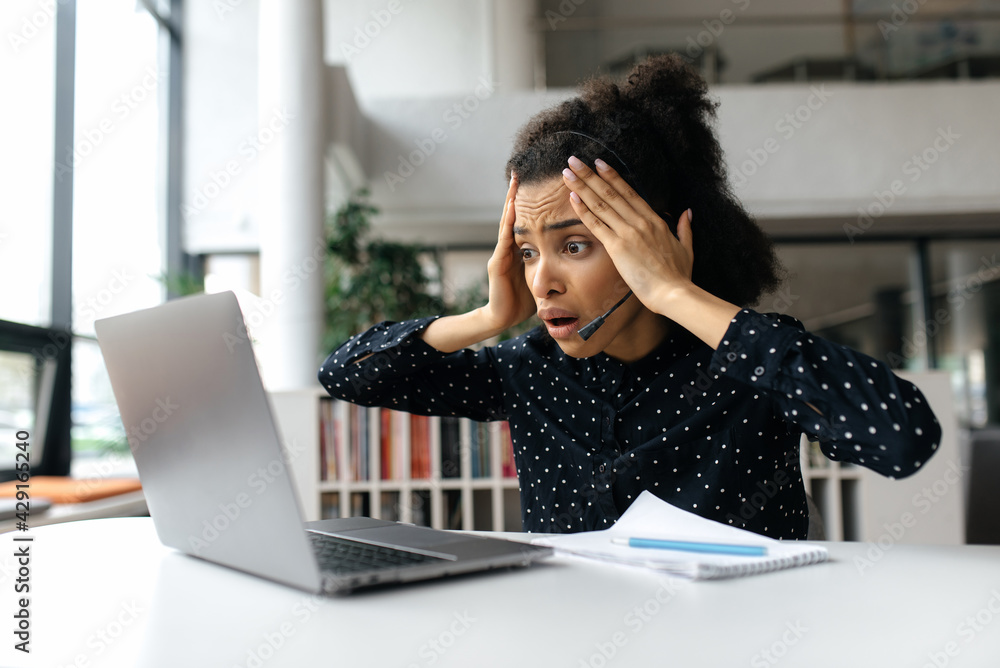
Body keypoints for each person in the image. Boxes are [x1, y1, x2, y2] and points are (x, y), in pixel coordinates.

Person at [319, 54, 941, 538]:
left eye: (575, 246)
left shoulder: (747, 359)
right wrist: (489, 316)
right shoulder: (529, 371)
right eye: (529, 251)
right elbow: (347, 374)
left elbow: (903, 437)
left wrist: (673, 291)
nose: (541, 281)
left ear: (653, 240)